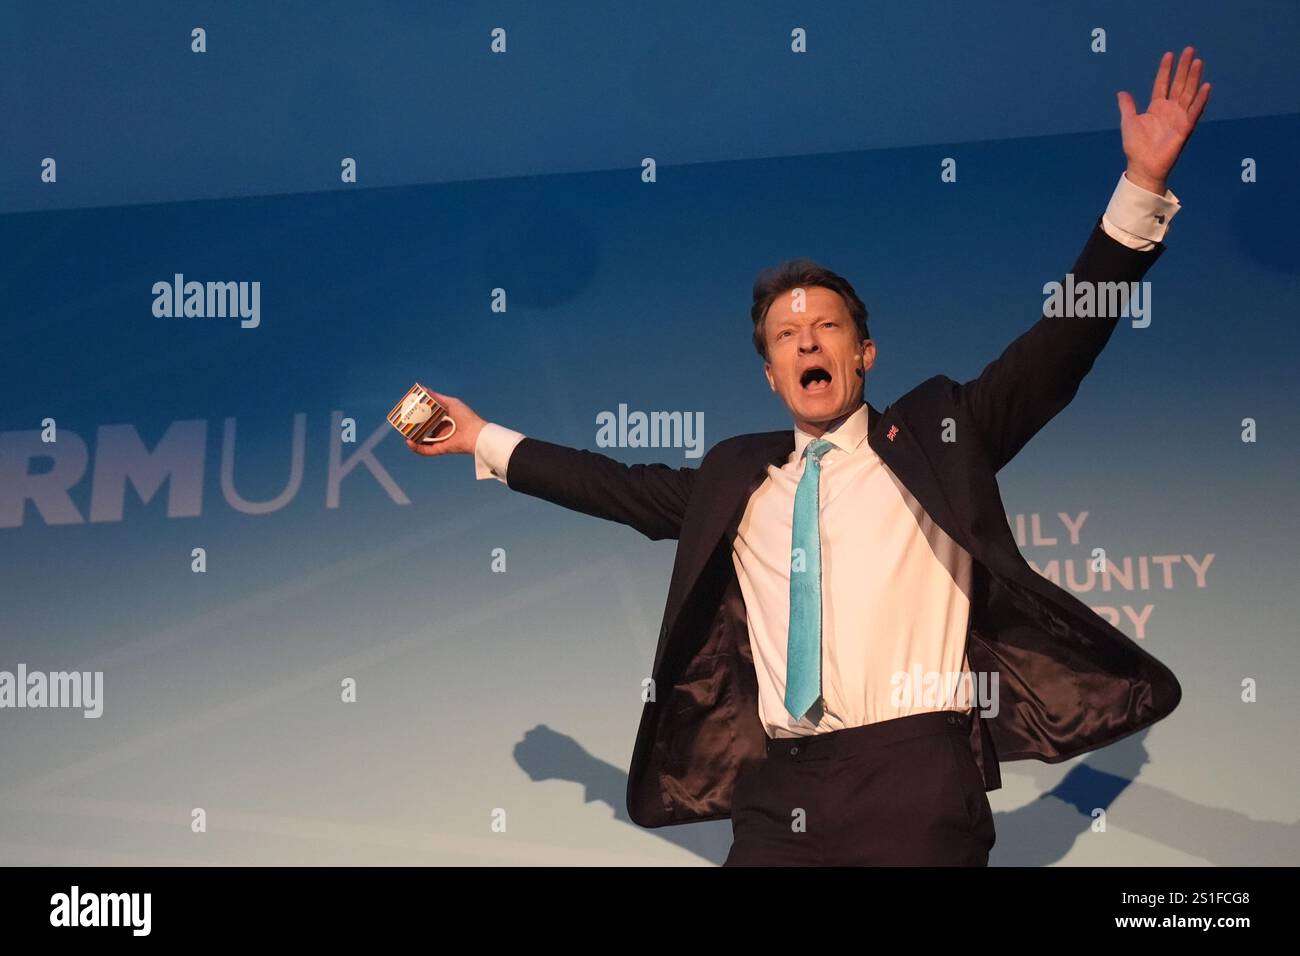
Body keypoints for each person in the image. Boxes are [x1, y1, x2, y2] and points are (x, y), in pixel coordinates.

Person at [406, 48, 1211, 865]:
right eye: (788, 336)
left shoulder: (940, 436)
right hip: (782, 785)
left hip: (918, 773)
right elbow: (610, 485)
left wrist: (1138, 190)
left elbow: (1059, 349)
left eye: (825, 328)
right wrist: (482, 439)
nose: (807, 342)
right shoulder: (739, 481)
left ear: (863, 353)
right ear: (771, 372)